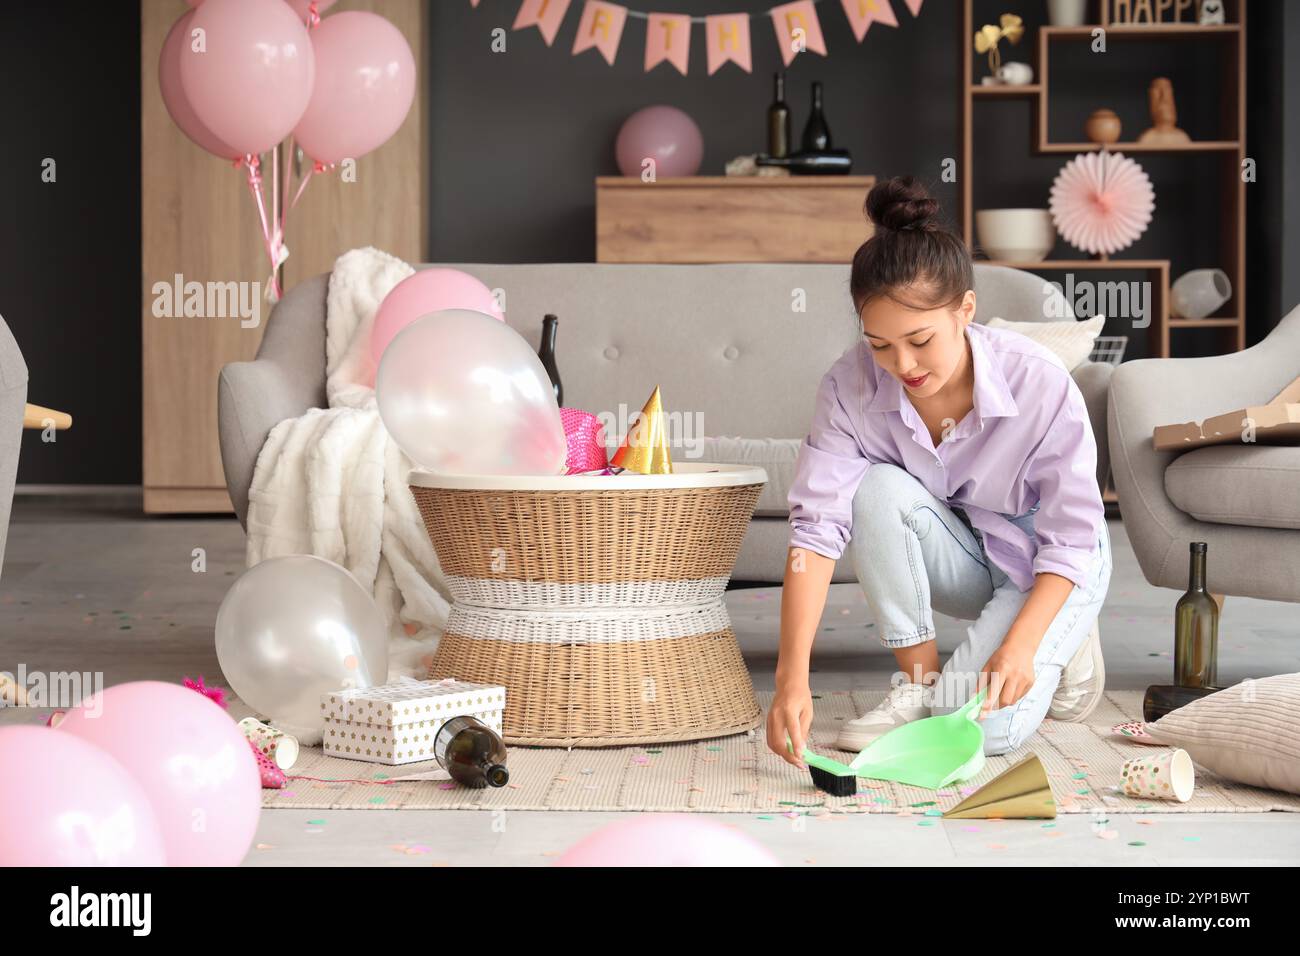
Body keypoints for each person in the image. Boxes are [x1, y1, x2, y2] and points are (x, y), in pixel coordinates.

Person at [768, 176, 1110, 766]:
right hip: (968, 552)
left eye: (919, 340)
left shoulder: (1039, 382)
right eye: (880, 344)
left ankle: (1067, 639)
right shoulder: (848, 387)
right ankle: (922, 687)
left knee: (986, 735)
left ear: (965, 311)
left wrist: (1021, 647)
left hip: (1052, 565)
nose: (902, 365)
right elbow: (815, 533)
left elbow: (1074, 536)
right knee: (872, 487)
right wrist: (789, 677)